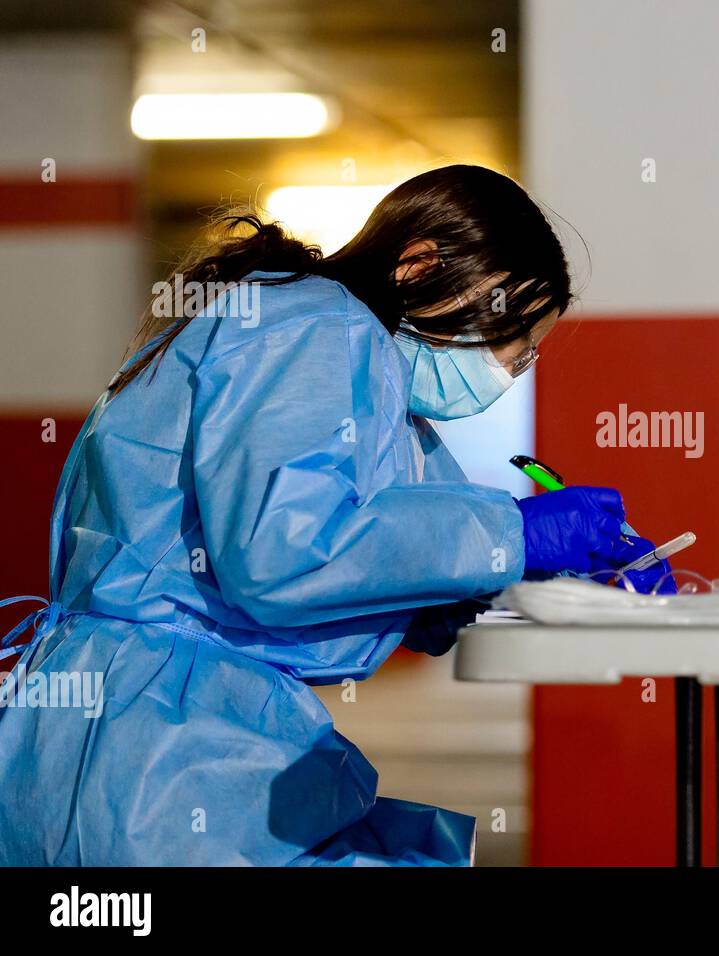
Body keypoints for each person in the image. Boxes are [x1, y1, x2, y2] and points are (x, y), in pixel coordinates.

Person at [0, 165, 672, 866]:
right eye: (507, 330)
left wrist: (441, 597)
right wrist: (514, 533)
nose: (509, 363)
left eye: (528, 352)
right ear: (417, 265)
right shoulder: (313, 326)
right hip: (153, 748)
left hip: (156, 727)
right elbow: (280, 555)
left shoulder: (352, 361)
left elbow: (326, 549)